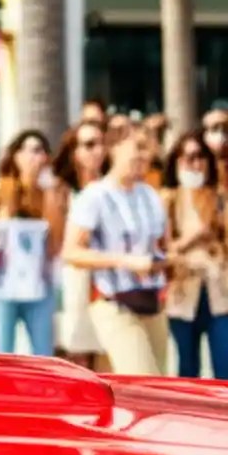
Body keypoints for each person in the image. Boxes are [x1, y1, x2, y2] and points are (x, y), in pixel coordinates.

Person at [62, 127, 170, 376]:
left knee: (159, 386)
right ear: (115, 149)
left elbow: (163, 246)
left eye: (146, 149)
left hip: (152, 302)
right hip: (115, 303)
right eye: (137, 148)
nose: (143, 156)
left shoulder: (151, 196)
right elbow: (71, 252)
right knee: (144, 381)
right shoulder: (95, 196)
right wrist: (126, 262)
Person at [0, 130, 63, 356]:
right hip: (2, 285)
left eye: (41, 152)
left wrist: (51, 196)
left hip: (38, 287)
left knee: (43, 356)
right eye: (30, 150)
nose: (35, 158)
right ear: (16, 155)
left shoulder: (48, 195)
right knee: (0, 355)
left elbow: (55, 244)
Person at [162, 131, 228, 379]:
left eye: (201, 157)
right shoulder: (167, 199)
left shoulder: (219, 197)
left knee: (224, 368)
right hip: (182, 292)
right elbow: (162, 249)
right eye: (189, 157)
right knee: (187, 370)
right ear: (178, 161)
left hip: (219, 291)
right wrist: (192, 238)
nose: (196, 163)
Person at [51, 121, 109, 370]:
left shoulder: (112, 188)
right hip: (70, 280)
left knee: (106, 357)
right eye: (88, 145)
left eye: (100, 143)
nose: (97, 150)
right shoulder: (61, 192)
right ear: (74, 151)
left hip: (106, 280)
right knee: (74, 357)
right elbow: (56, 242)